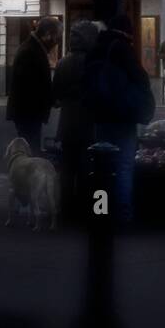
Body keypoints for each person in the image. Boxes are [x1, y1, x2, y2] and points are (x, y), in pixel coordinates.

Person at [84, 14, 156, 225]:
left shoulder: (96, 47)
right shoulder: (123, 49)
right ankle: (123, 215)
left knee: (101, 166)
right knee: (124, 166)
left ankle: (101, 211)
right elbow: (141, 78)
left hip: (101, 116)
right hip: (123, 117)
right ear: (126, 31)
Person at [52, 20, 98, 225]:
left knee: (67, 169)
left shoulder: (63, 63)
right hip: (89, 122)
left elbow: (56, 94)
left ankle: (65, 210)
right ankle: (86, 210)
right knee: (87, 168)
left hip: (68, 123)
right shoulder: (96, 63)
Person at [6, 18, 59, 153]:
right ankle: (27, 172)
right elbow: (32, 86)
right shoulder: (30, 51)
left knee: (31, 146)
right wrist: (51, 99)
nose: (56, 41)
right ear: (47, 34)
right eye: (56, 36)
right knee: (30, 148)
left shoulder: (33, 48)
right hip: (28, 111)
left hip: (29, 111)